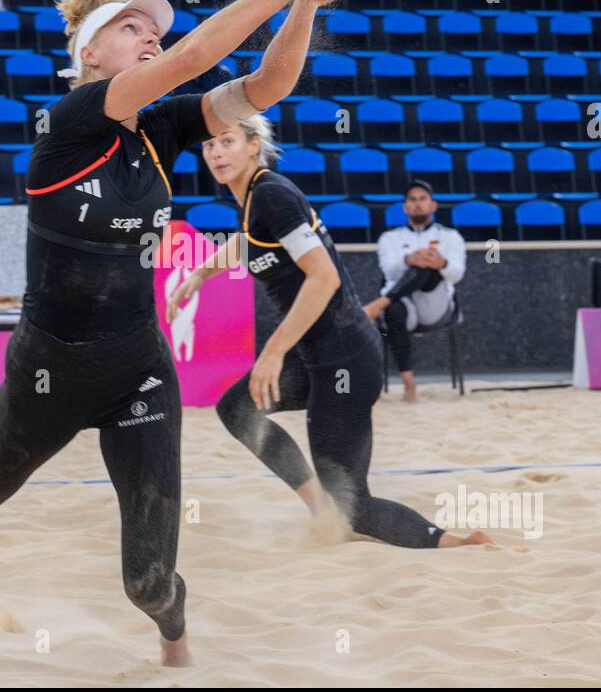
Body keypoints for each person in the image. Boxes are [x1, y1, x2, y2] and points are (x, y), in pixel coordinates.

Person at [0, 0, 350, 667]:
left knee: (147, 582)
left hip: (136, 369)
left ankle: (176, 645)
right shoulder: (71, 119)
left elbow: (268, 84)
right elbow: (199, 53)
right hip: (45, 366)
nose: (152, 37)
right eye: (132, 28)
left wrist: (307, 5)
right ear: (89, 52)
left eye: (155, 31)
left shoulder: (159, 128)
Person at [168, 117, 492, 550]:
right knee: (239, 410)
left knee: (356, 508)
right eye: (209, 145)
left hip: (345, 361)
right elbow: (247, 243)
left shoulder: (272, 195)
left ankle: (462, 543)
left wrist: (273, 352)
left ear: (252, 145)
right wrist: (198, 277)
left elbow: (324, 278)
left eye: (227, 142)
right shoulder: (253, 201)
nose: (216, 153)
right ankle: (319, 506)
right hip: (317, 357)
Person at [361, 179, 466, 403]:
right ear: (405, 207)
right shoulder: (389, 238)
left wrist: (441, 263)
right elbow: (388, 271)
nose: (418, 204)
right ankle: (409, 385)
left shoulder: (451, 237)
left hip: (435, 307)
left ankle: (378, 304)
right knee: (395, 308)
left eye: (423, 199)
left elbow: (457, 274)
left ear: (433, 205)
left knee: (429, 266)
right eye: (412, 200)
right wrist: (408, 259)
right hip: (404, 308)